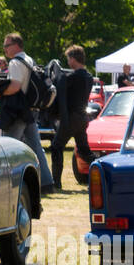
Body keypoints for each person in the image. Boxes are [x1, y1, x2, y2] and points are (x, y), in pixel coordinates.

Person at [0, 32, 55, 193]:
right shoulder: (29, 60)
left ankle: (8, 184)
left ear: (16, 45)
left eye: (6, 46)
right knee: (36, 147)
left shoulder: (16, 62)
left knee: (8, 147)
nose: (4, 49)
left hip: (18, 111)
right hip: (31, 110)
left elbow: (15, 86)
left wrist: (0, 92)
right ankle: (46, 183)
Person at [49, 45, 93, 190]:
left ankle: (56, 183)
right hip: (82, 118)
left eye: (69, 58)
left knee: (56, 147)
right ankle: (104, 173)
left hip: (72, 118)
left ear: (73, 59)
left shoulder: (73, 77)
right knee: (84, 150)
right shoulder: (88, 77)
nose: (68, 62)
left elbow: (62, 90)